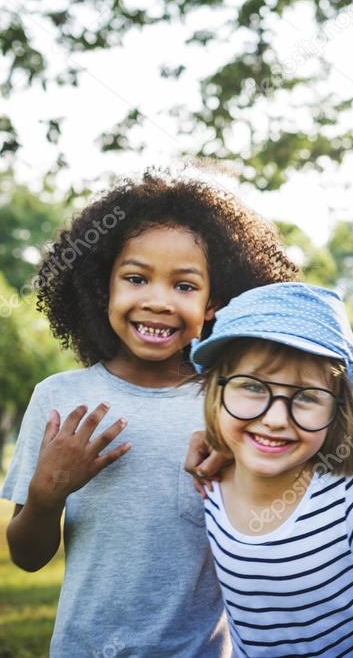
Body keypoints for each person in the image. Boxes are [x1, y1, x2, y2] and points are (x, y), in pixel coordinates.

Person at [2, 168, 298, 656]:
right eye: (136, 279)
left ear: (212, 304)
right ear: (104, 289)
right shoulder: (58, 398)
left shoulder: (235, 405)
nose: (158, 301)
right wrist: (46, 494)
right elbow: (28, 557)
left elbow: (273, 546)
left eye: (184, 286)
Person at [189, 282, 353, 657]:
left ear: (336, 409)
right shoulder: (211, 479)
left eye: (306, 396)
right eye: (252, 387)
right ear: (215, 390)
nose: (276, 419)